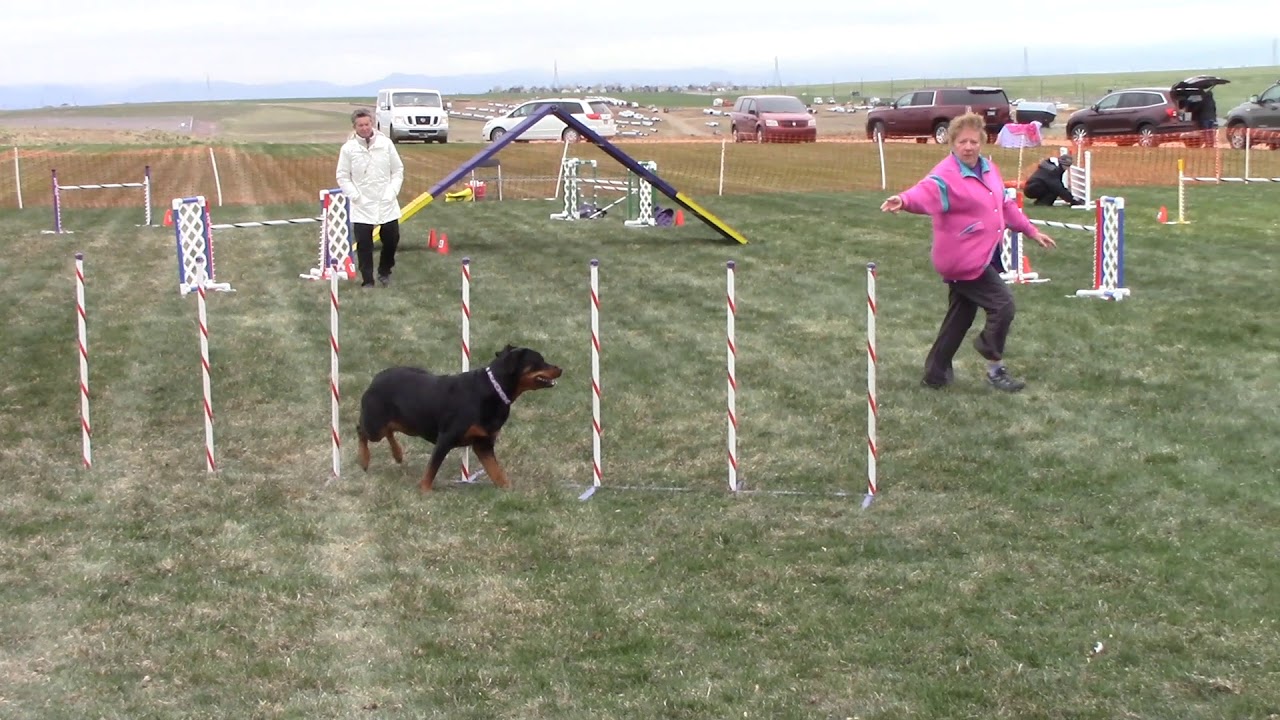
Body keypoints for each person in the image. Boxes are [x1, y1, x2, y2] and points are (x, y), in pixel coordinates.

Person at [880, 112, 1057, 392]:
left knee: (960, 317)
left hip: (980, 254)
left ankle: (935, 375)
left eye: (973, 141)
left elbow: (1005, 205)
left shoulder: (988, 168)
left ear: (982, 142)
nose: (968, 147)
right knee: (1003, 305)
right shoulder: (945, 175)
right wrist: (903, 200)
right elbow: (925, 192)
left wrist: (1031, 231)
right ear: (952, 143)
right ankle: (994, 365)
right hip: (962, 260)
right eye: (962, 142)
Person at [336, 108, 404, 288]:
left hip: (386, 199)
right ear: (354, 127)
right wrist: (355, 196)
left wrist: (392, 192)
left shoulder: (386, 144)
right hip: (362, 203)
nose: (364, 128)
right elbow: (343, 176)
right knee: (364, 243)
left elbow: (397, 170)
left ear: (371, 124)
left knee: (391, 238)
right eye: (360, 125)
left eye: (367, 124)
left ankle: (385, 270)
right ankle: (367, 280)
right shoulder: (348, 149)